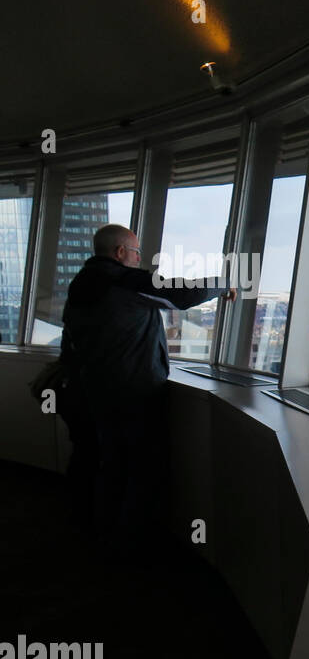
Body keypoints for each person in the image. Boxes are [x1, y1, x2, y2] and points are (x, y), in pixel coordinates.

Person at [59, 224, 234, 541]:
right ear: (121, 252)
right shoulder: (123, 280)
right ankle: (129, 543)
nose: (140, 260)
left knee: (110, 463)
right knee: (141, 468)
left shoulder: (80, 285)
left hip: (95, 389)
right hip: (134, 391)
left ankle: (99, 531)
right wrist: (224, 285)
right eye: (137, 253)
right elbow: (182, 294)